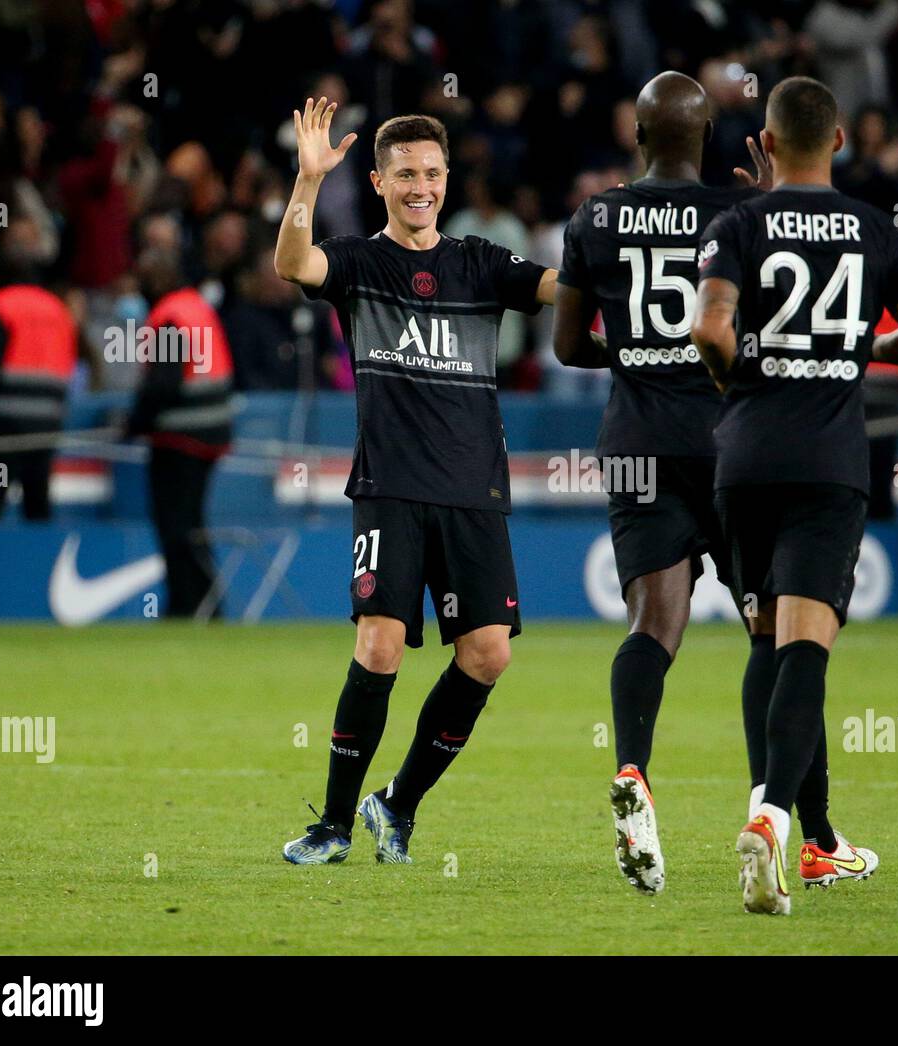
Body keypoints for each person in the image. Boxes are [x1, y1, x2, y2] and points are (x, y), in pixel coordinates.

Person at [553, 69, 836, 896]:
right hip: (733, 444)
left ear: (638, 137)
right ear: (709, 135)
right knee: (772, 632)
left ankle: (634, 770)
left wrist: (638, 352)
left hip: (637, 441)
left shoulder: (594, 217)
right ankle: (784, 822)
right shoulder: (739, 216)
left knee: (652, 623)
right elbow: (777, 322)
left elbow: (569, 347)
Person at [275, 99, 556, 865]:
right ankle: (333, 824)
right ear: (378, 181)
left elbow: (561, 289)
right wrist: (306, 182)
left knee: (489, 654)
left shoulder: (481, 263)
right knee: (380, 645)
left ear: (445, 178)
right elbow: (293, 264)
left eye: (431, 172)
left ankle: (395, 804)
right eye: (405, 174)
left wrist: (618, 254)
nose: (420, 185)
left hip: (473, 493)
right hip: (391, 487)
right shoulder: (361, 265)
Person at [692, 76, 898, 914]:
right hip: (829, 464)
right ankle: (774, 820)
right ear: (839, 142)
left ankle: (812, 838)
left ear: (765, 145)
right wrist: (845, 350)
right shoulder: (877, 232)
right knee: (807, 646)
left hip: (744, 462)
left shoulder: (738, 224)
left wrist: (745, 375)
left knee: (765, 640)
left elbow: (708, 329)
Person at [125, 248, 234, 618]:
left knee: (176, 525)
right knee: (191, 523)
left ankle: (191, 604)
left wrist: (132, 424)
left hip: (180, 438)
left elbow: (164, 385)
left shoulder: (170, 316)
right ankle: (202, 604)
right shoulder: (196, 307)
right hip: (211, 432)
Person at [0, 269, 78, 522]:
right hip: (45, 426)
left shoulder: (2, 305)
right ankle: (42, 559)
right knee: (37, 503)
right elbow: (68, 365)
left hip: (2, 428)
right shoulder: (58, 310)